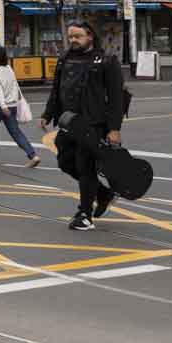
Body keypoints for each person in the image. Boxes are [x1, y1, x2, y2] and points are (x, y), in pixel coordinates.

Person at [41, 19, 126, 231]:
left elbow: (116, 98)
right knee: (65, 162)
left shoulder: (106, 60)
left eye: (78, 36)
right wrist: (48, 114)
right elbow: (56, 90)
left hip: (93, 123)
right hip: (68, 123)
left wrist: (114, 128)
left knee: (85, 166)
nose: (73, 40)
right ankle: (104, 194)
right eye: (70, 37)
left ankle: (84, 214)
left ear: (90, 36)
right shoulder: (65, 59)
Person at [0, 45, 38, 167]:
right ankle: (32, 155)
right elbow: (14, 86)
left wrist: (3, 105)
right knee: (15, 132)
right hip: (12, 105)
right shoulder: (9, 68)